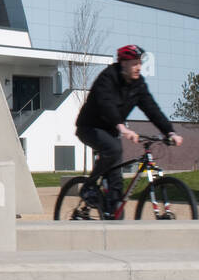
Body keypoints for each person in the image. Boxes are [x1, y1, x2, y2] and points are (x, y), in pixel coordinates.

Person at [75, 45, 183, 217]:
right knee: (113, 149)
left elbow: (152, 108)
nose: (139, 67)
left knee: (116, 177)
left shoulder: (138, 84)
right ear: (123, 63)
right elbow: (106, 103)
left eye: (140, 63)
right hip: (89, 127)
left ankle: (113, 212)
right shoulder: (108, 77)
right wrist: (121, 126)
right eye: (134, 63)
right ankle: (89, 187)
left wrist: (170, 132)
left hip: (112, 131)